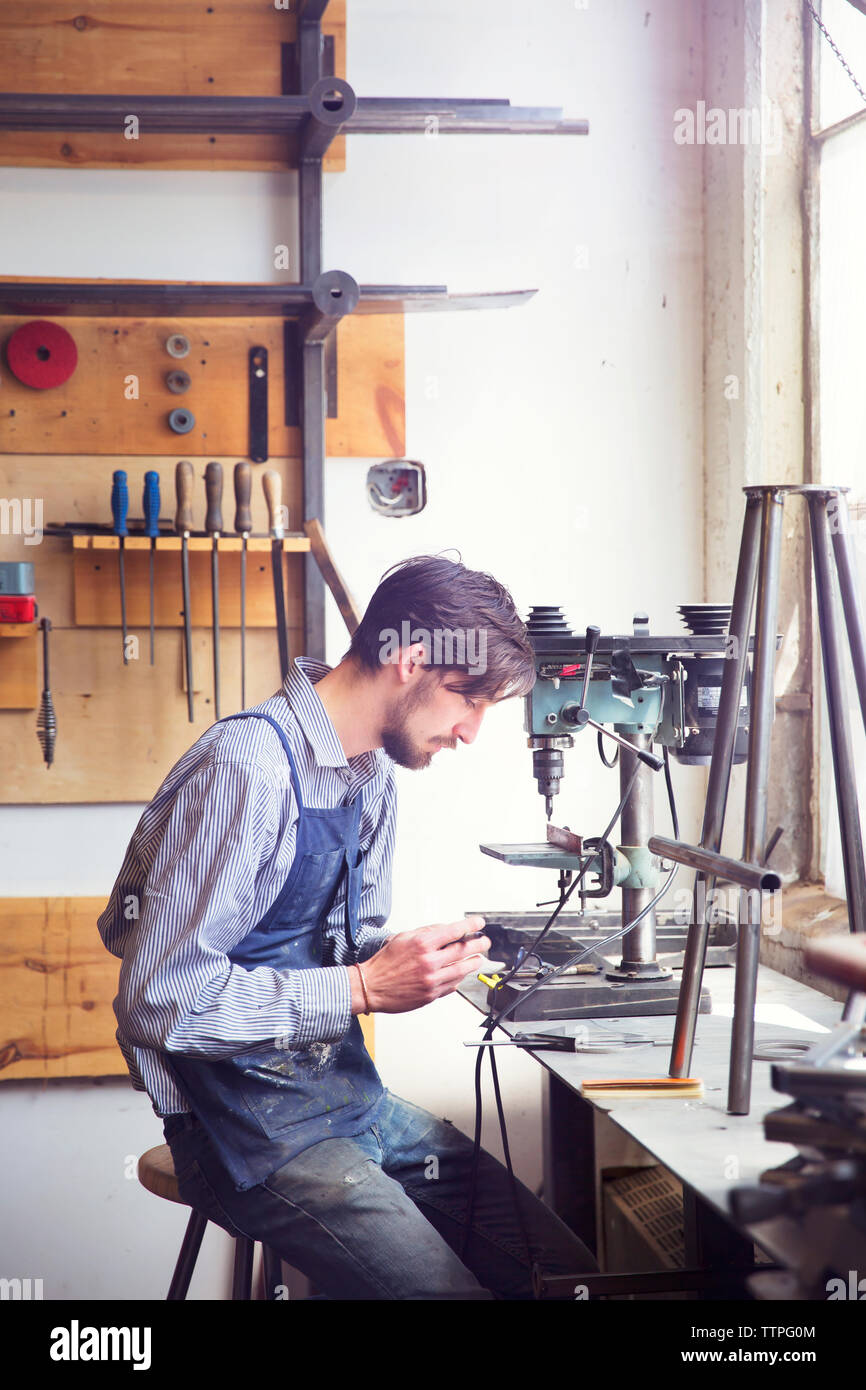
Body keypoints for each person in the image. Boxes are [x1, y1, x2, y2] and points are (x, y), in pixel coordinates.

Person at [98, 553, 598, 1299]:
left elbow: (340, 950)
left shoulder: (371, 776)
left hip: (345, 1103)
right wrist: (363, 987)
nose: (470, 732)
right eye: (468, 699)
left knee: (570, 1278)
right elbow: (158, 1000)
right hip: (240, 1136)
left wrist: (409, 962)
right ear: (410, 660)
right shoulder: (249, 769)